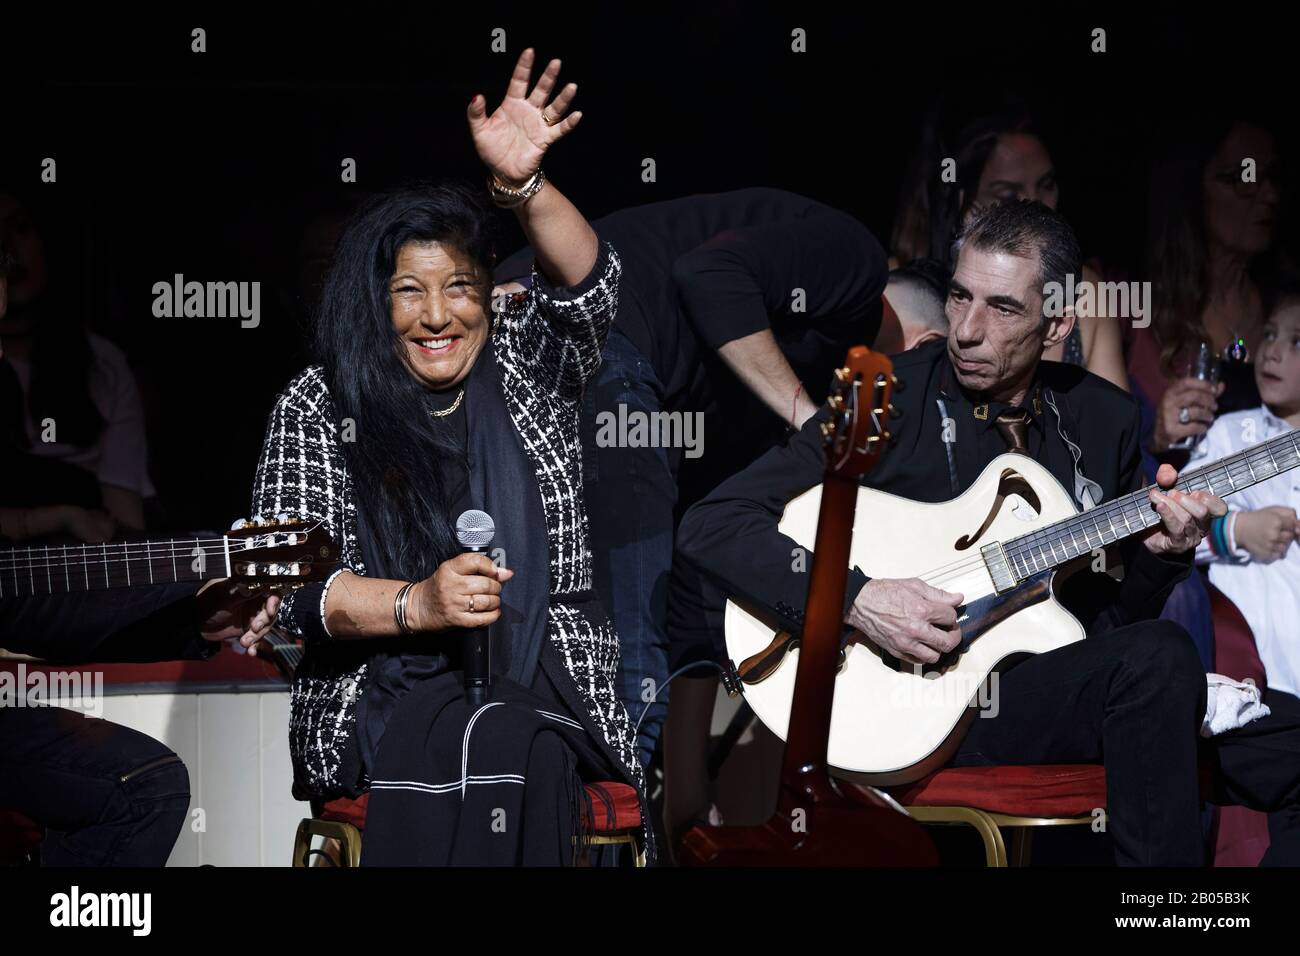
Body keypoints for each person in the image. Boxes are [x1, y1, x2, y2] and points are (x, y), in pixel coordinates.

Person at [678, 199, 1300, 865]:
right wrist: (859, 598)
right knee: (1161, 660)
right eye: (958, 297)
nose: (967, 330)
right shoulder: (892, 397)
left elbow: (1102, 632)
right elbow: (713, 523)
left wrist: (1161, 559)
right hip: (925, 700)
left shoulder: (1101, 420)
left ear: (1058, 321)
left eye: (1002, 308)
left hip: (1045, 689)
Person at [247, 49, 646, 865]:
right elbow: (290, 599)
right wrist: (418, 605)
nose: (438, 315)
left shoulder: (528, 365)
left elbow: (592, 286)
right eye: (409, 290)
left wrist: (523, 187)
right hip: (379, 696)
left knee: (513, 739)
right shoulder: (320, 403)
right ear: (374, 301)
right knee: (493, 744)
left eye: (460, 286)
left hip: (544, 678)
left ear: (487, 292)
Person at [494, 189, 889, 770]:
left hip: (536, 351)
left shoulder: (743, 393)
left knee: (544, 643)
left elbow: (692, 572)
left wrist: (687, 790)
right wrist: (815, 426)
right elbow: (707, 274)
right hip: (588, 340)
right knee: (627, 666)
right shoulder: (859, 262)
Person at [892, 108, 1129, 391]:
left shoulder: (1085, 292)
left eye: (1046, 185)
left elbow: (1113, 426)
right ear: (962, 202)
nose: (1035, 203)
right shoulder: (897, 286)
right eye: (1007, 194)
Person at [0, 189, 155, 533]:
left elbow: (125, 521)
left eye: (20, 229)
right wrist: (41, 520)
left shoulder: (103, 364)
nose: (7, 248)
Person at [1191, 277, 1300, 697]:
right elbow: (1174, 525)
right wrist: (1237, 529)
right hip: (1246, 678)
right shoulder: (1232, 434)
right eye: (1269, 334)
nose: (1271, 350)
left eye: (1296, 343)